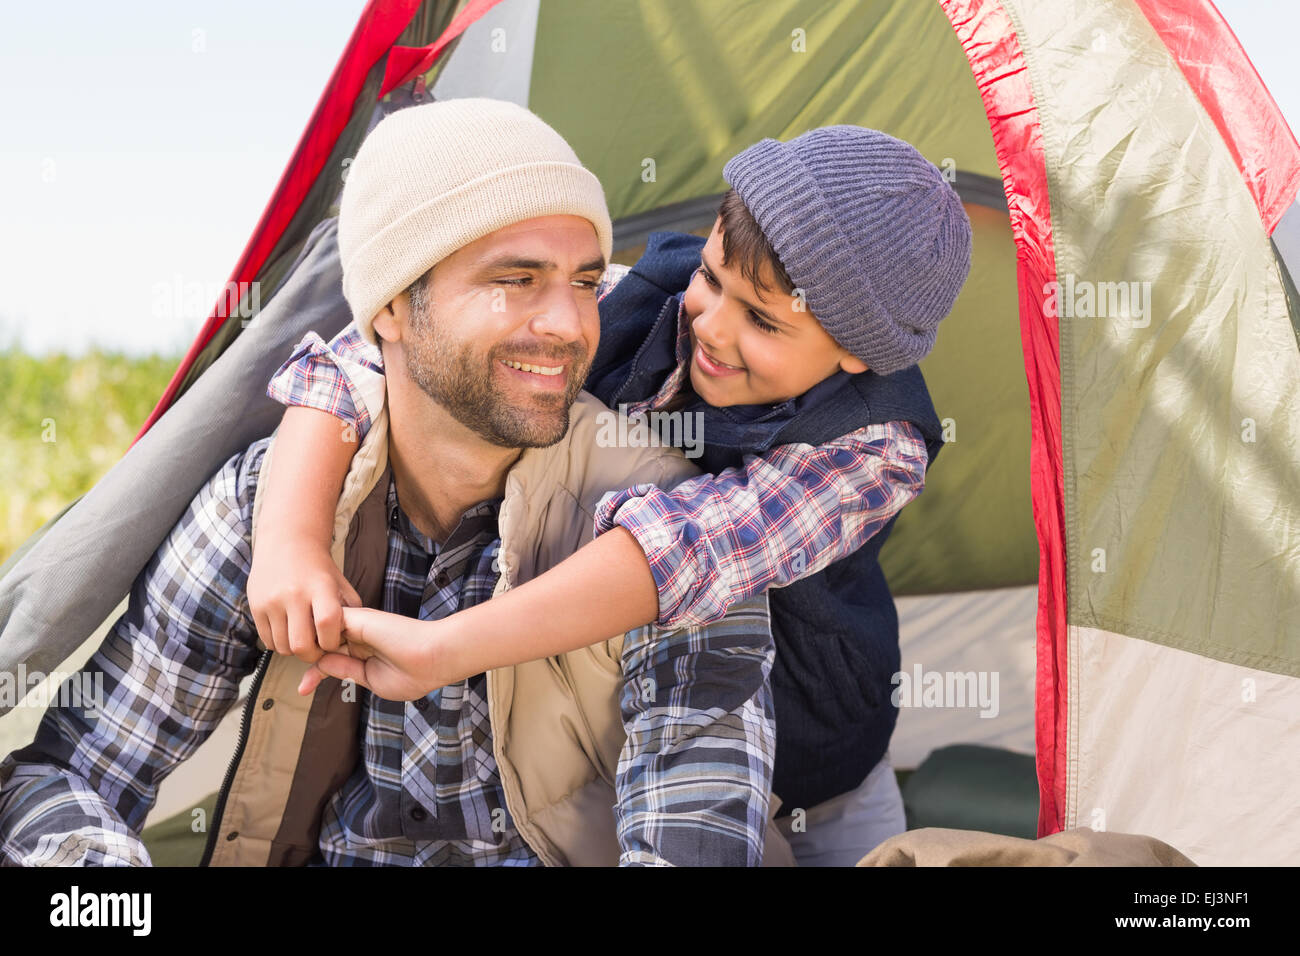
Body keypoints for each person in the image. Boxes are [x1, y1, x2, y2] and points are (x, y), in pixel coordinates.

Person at [0, 98, 780, 867]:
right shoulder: (267, 510)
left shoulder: (673, 535)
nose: (570, 325)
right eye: (516, 279)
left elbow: (697, 837)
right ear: (393, 311)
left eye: (583, 282)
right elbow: (70, 775)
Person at [248, 120, 973, 864]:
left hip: (816, 769)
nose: (711, 329)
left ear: (855, 354)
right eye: (713, 278)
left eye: (760, 320)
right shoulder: (642, 299)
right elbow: (374, 347)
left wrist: (446, 648)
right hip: (629, 733)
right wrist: (290, 538)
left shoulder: (876, 447)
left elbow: (687, 548)